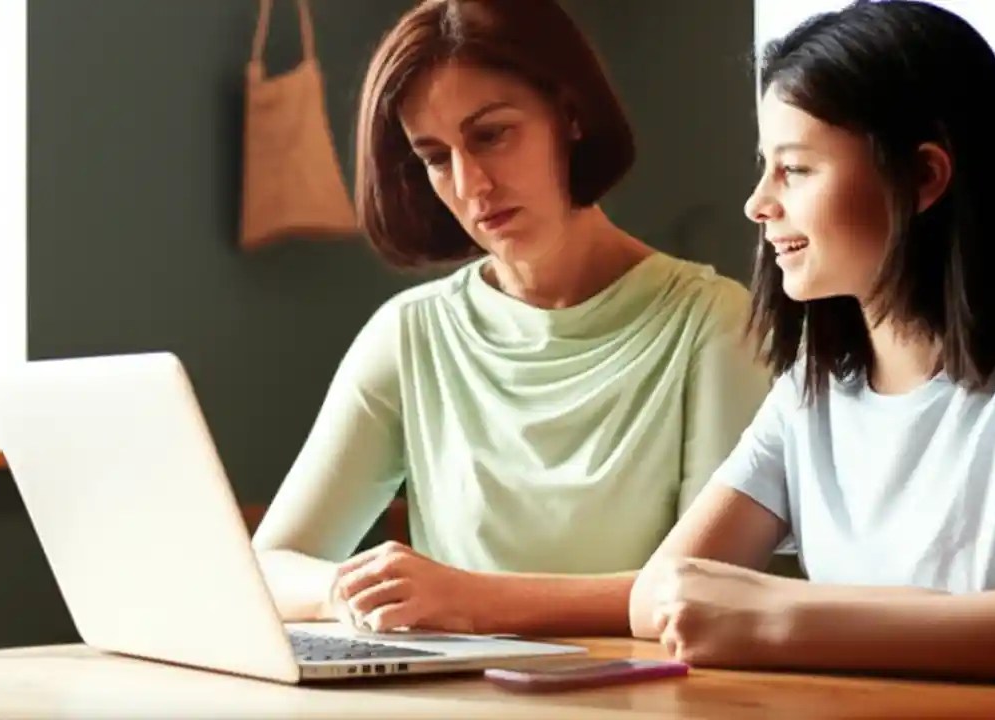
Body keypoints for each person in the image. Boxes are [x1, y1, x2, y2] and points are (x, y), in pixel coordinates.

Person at [629, 0, 995, 694]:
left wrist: (787, 618)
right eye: (766, 166)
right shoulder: (810, 391)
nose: (757, 203)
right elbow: (656, 598)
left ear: (923, 178)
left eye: (795, 169)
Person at [250, 0, 771, 638]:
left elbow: (703, 590)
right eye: (436, 157)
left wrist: (467, 599)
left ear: (570, 115)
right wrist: (347, 590)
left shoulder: (712, 325)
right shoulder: (409, 335)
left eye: (491, 134)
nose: (471, 185)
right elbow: (269, 566)